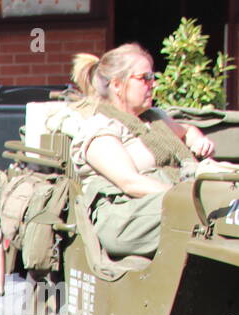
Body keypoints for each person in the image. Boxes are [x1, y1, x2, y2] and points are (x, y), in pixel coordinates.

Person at [59, 45, 217, 260]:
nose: (154, 83)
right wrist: (191, 197)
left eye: (153, 76)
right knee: (215, 211)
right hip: (126, 218)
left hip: (164, 203)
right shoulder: (101, 130)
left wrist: (197, 138)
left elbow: (186, 131)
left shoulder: (154, 119)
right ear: (117, 85)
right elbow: (130, 183)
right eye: (145, 78)